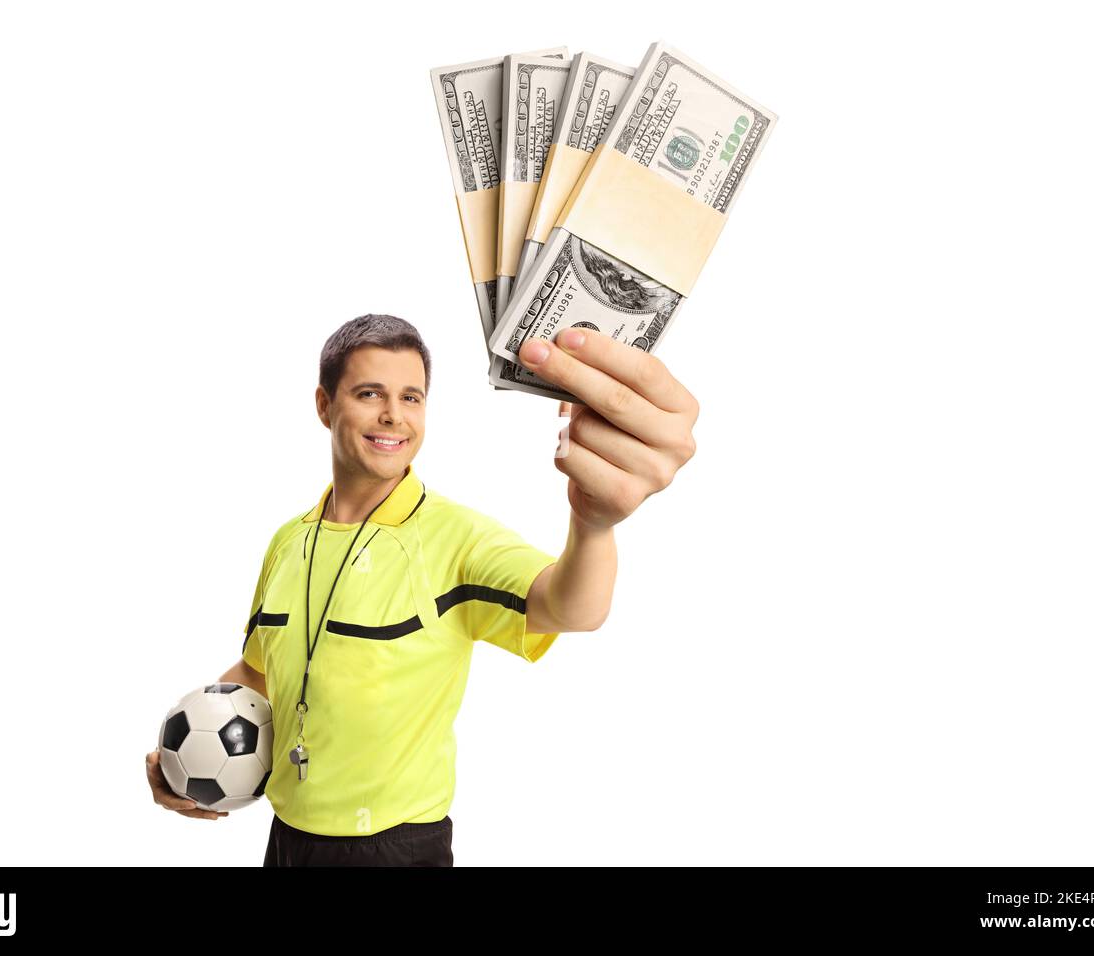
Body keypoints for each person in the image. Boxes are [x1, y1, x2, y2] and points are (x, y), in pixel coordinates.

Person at [146, 314, 699, 865]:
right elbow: (259, 671)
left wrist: (593, 524)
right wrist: (183, 754)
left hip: (397, 849)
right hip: (287, 839)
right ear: (324, 406)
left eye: (412, 398)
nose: (394, 415)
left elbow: (572, 607)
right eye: (370, 393)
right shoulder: (289, 541)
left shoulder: (454, 538)